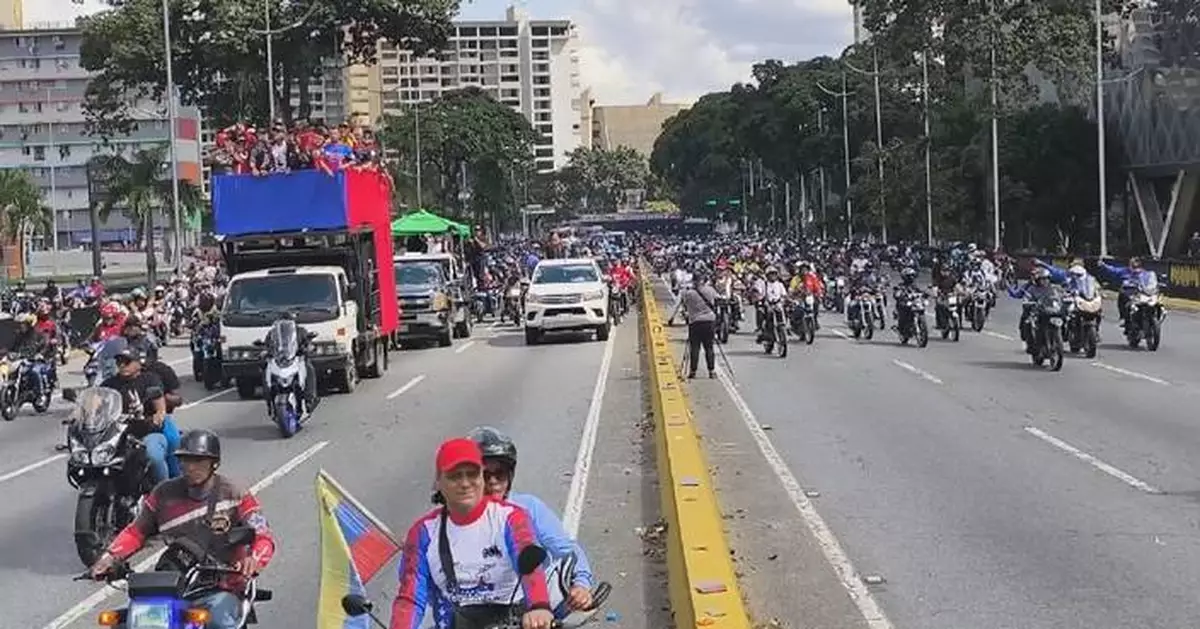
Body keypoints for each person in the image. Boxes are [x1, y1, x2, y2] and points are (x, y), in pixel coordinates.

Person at [88, 430, 276, 629]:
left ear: (214, 463)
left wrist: (253, 560)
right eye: (185, 460)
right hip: (175, 584)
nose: (190, 467)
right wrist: (109, 558)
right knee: (127, 622)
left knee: (221, 622)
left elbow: (263, 535)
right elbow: (136, 532)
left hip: (223, 585)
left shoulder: (234, 492)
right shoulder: (163, 494)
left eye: (198, 461)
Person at [389, 438, 554, 629]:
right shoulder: (423, 532)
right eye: (455, 476)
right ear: (439, 483)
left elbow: (530, 566)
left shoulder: (511, 517)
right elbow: (411, 596)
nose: (465, 483)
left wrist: (539, 606)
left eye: (472, 474)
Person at [468, 427, 596, 618]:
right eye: (485, 475)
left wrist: (581, 586)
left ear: (510, 476)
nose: (493, 482)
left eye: (500, 473)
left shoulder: (528, 507)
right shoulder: (451, 521)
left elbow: (567, 549)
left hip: (531, 610)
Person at [100, 348, 173, 483]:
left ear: (138, 363)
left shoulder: (150, 379)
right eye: (119, 361)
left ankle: (163, 492)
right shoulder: (109, 384)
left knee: (153, 455)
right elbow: (96, 403)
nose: (122, 365)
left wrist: (158, 416)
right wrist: (78, 415)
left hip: (145, 432)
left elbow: (160, 408)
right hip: (115, 436)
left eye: (127, 361)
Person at [670, 273, 719, 379]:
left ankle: (693, 372)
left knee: (695, 347)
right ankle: (712, 371)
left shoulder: (688, 293)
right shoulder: (710, 290)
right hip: (709, 321)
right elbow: (717, 300)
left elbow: (684, 306)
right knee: (709, 347)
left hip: (695, 322)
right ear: (703, 280)